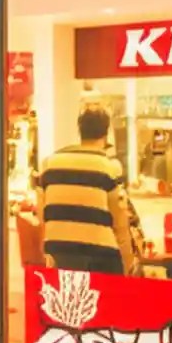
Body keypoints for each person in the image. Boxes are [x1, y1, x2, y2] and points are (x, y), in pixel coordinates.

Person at [36, 106, 136, 277]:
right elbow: (120, 224)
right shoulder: (109, 167)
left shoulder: (49, 165)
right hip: (100, 258)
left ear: (80, 131)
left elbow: (41, 216)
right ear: (106, 133)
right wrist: (127, 264)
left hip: (58, 253)